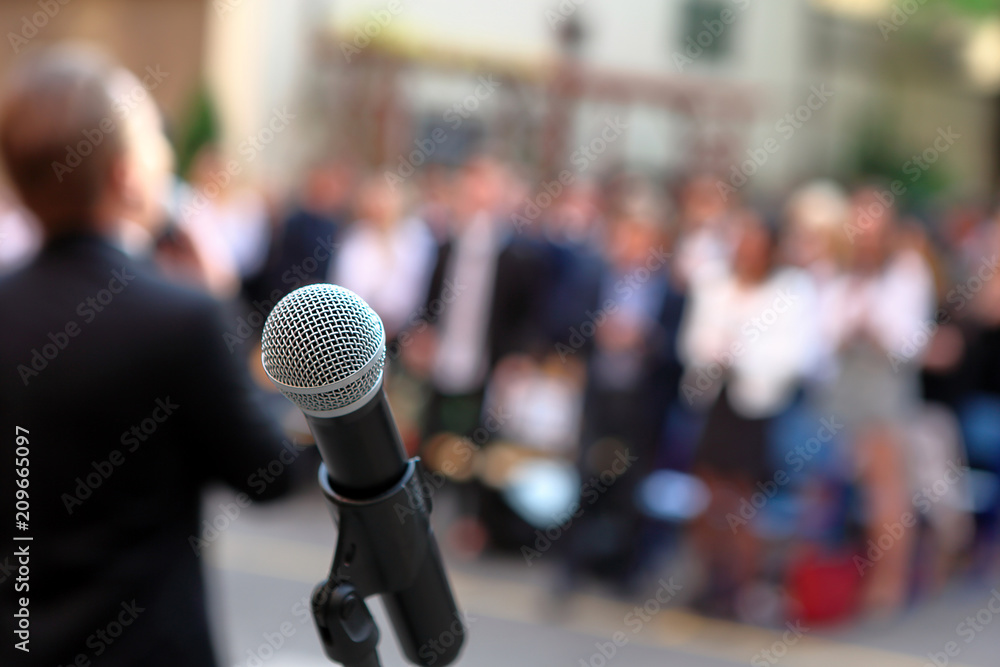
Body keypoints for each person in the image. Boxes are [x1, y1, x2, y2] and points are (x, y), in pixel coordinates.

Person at [0, 46, 303, 667]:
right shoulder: (183, 318)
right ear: (126, 176)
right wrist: (222, 304)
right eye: (153, 138)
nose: (168, 153)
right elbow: (270, 475)